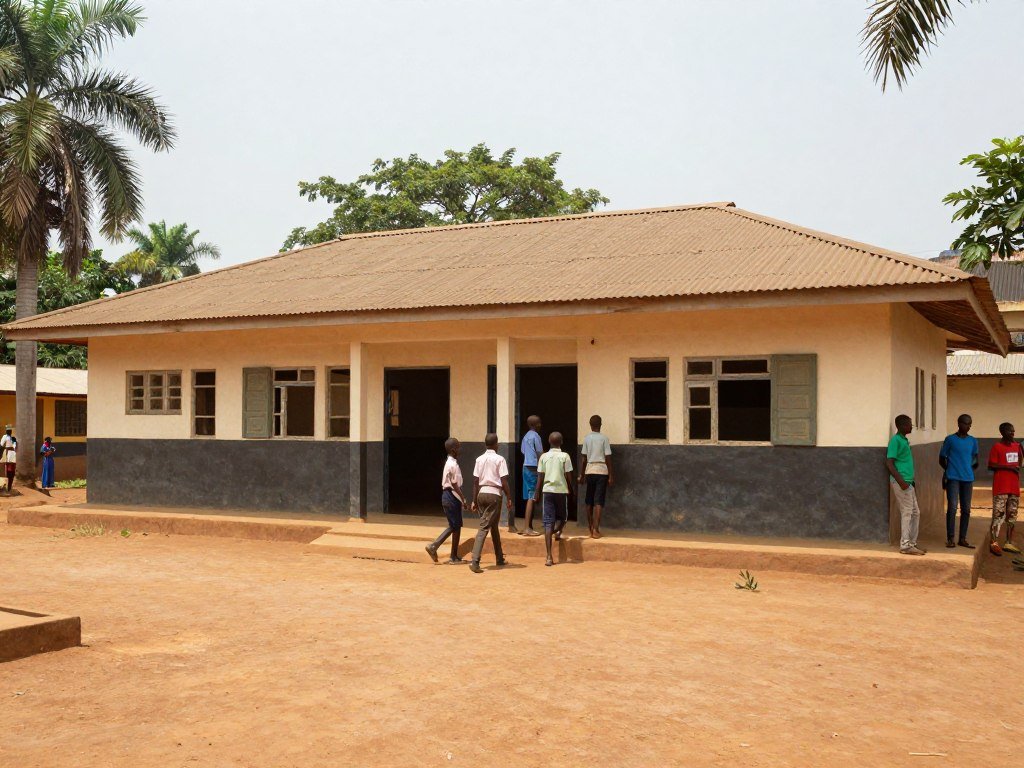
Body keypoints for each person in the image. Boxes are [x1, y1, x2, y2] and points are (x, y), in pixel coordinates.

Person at [469, 433, 514, 574]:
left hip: (481, 494)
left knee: (493, 525)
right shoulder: (500, 459)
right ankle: (475, 561)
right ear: (496, 445)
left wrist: (474, 500)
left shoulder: (479, 459)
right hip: (494, 495)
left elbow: (475, 482)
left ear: (485, 444)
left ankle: (499, 557)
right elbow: (504, 481)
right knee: (484, 527)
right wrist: (509, 497)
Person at [886, 415, 926, 556]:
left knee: (915, 512)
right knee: (907, 512)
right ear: (902, 426)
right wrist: (901, 481)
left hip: (908, 483)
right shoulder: (896, 441)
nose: (911, 427)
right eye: (909, 424)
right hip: (901, 482)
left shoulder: (904, 440)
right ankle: (905, 545)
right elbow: (889, 462)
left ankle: (912, 543)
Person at [534, 431, 575, 567]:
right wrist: (572, 488)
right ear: (561, 442)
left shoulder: (544, 457)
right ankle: (555, 532)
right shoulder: (565, 456)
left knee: (548, 521)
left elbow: (540, 476)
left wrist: (537, 492)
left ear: (549, 442)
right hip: (561, 491)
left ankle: (549, 556)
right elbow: (568, 474)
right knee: (562, 518)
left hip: (547, 491)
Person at [939, 414, 978, 548]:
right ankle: (950, 538)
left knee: (966, 509)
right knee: (952, 507)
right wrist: (949, 470)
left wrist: (969, 468)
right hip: (953, 478)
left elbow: (975, 459)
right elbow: (941, 458)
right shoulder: (950, 439)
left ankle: (962, 538)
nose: (968, 426)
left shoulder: (973, 441)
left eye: (970, 424)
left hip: (968, 479)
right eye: (966, 423)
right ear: (959, 423)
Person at [426, 438, 468, 564]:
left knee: (456, 526)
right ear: (454, 450)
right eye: (459, 447)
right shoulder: (452, 465)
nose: (460, 449)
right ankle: (434, 546)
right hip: (451, 496)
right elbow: (454, 485)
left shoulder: (451, 462)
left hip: (450, 496)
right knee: (454, 526)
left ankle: (454, 556)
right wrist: (463, 499)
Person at [987, 422, 1022, 557]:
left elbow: (1019, 463)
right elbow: (991, 465)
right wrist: (1008, 467)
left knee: (1012, 515)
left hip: (1014, 487)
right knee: (998, 515)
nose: (1012, 433)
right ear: (1002, 432)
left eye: (1013, 431)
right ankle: (994, 542)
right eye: (1010, 431)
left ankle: (1008, 542)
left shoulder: (1017, 446)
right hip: (1001, 487)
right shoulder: (997, 447)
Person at [579, 414, 613, 538]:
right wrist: (611, 475)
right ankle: (596, 529)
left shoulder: (587, 439)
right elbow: (608, 457)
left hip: (589, 470)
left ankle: (590, 527)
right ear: (601, 424)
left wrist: (582, 475)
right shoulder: (604, 438)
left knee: (589, 500)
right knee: (599, 501)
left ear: (590, 425)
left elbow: (583, 459)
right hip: (602, 471)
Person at [519, 415, 543, 536]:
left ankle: (529, 526)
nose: (540, 425)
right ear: (535, 424)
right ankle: (527, 528)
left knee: (529, 495)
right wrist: (542, 467)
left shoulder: (526, 436)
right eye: (539, 423)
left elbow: (523, 451)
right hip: (534, 467)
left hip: (525, 467)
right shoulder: (536, 436)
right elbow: (539, 453)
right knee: (532, 496)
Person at [1, 427, 16, 494]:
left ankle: (9, 487)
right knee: (8, 470)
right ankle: (8, 487)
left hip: (12, 455)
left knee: (11, 471)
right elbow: (1, 444)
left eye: (9, 431)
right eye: (7, 431)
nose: (8, 432)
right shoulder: (5, 437)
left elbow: (15, 446)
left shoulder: (13, 438)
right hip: (8, 454)